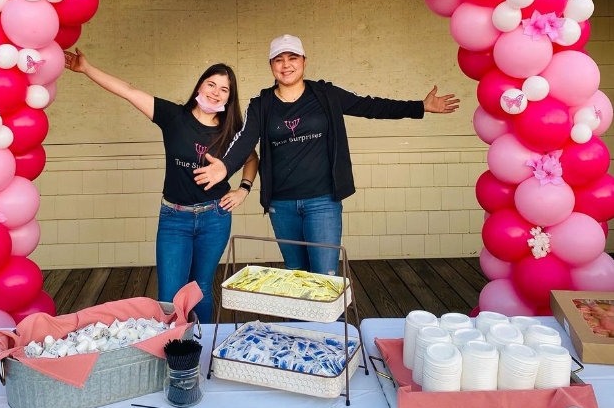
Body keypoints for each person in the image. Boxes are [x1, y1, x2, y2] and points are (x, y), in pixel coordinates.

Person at [194, 34, 459, 276]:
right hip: (281, 205)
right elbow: (243, 142)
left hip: (323, 202)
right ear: (271, 66)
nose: (286, 65)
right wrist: (225, 167)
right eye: (279, 60)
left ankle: (327, 329)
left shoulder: (325, 94)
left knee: (324, 276)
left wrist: (420, 107)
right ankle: (302, 328)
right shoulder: (261, 104)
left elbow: (371, 105)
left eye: (292, 58)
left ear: (304, 62)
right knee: (296, 274)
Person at [64, 49, 258, 322]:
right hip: (174, 218)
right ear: (200, 85)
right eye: (211, 84)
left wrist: (243, 189)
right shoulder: (173, 116)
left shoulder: (232, 128)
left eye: (224, 89)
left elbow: (252, 157)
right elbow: (128, 91)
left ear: (230, 96)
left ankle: (199, 351)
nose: (216, 93)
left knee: (201, 287)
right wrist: (87, 68)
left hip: (214, 217)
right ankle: (174, 352)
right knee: (169, 296)